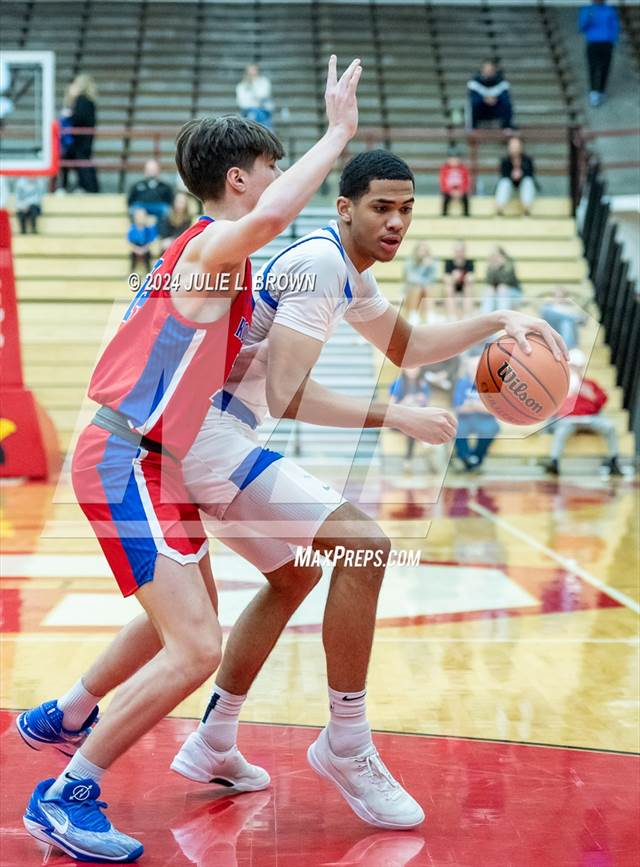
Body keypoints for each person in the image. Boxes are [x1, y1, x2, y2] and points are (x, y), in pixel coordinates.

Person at [16, 55, 363, 863]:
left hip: (154, 457)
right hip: (123, 455)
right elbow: (277, 219)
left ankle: (66, 715)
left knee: (176, 612)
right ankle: (66, 794)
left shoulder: (213, 260)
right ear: (241, 180)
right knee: (197, 644)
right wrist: (338, 134)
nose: (280, 181)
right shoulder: (211, 248)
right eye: (273, 169)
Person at [167, 152, 566, 830]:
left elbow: (408, 348)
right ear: (345, 208)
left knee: (293, 577)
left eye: (407, 208)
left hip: (207, 434)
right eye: (383, 206)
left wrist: (498, 321)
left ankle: (212, 740)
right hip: (211, 437)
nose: (397, 221)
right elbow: (288, 394)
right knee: (366, 544)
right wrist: (395, 415)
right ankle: (346, 741)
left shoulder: (339, 267)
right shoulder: (322, 264)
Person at [545, 349, 623, 476]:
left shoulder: (590, 384)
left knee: (610, 427)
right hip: (568, 421)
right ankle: (554, 462)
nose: (576, 370)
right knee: (560, 432)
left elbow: (602, 400)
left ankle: (614, 461)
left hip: (590, 418)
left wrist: (591, 395)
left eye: (578, 367)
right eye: (573, 367)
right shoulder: (561, 384)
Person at [453, 353, 500, 470]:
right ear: (468, 370)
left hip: (485, 419)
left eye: (477, 368)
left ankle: (476, 458)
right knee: (456, 427)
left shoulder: (491, 383)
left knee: (492, 429)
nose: (475, 371)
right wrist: (480, 406)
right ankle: (465, 457)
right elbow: (459, 407)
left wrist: (472, 405)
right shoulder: (462, 383)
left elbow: (494, 409)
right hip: (466, 418)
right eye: (472, 368)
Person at [59, 74, 99, 193]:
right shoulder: (88, 101)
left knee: (80, 162)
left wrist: (69, 115)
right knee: (78, 162)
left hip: (79, 140)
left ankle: (88, 188)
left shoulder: (82, 100)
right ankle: (85, 187)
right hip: (83, 139)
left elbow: (78, 118)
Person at [389, 366, 432, 469]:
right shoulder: (398, 383)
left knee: (413, 427)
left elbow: (426, 404)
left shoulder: (422, 383)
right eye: (411, 368)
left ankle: (408, 460)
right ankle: (421, 443)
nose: (413, 370)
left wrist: (421, 400)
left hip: (415, 419)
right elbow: (391, 406)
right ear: (404, 369)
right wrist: (405, 401)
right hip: (398, 420)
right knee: (411, 427)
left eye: (416, 368)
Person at [579, 0, 620, 107]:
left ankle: (601, 91)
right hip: (593, 43)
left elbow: (615, 27)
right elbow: (582, 27)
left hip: (606, 43)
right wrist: (589, 18)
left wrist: (613, 41)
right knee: (593, 67)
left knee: (605, 67)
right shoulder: (587, 10)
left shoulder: (609, 10)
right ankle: (593, 92)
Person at [495, 137, 536, 216]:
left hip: (523, 187)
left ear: (521, 147)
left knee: (528, 181)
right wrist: (512, 175)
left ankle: (526, 210)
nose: (514, 148)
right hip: (510, 189)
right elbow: (503, 175)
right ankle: (499, 209)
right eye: (512, 146)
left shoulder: (527, 160)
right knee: (504, 182)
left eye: (516, 146)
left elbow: (531, 175)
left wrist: (522, 174)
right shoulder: (505, 161)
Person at [467, 60, 513, 129]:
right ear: (482, 70)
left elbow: (505, 97)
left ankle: (507, 127)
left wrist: (495, 99)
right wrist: (484, 99)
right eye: (486, 70)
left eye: (490, 70)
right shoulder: (475, 82)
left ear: (494, 71)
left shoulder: (501, 82)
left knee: (507, 104)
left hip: (496, 109)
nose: (488, 72)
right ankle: (473, 128)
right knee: (474, 104)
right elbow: (472, 98)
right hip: (481, 110)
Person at [540, 286, 586, 350]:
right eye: (556, 296)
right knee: (568, 320)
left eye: (561, 297)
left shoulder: (569, 308)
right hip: (552, 337)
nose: (558, 299)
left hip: (568, 341)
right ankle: (566, 349)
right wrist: (574, 317)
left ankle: (567, 349)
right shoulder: (547, 307)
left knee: (566, 323)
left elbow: (583, 322)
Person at [402, 241, 438, 322]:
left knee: (427, 287)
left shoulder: (432, 262)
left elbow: (432, 279)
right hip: (410, 291)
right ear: (416, 251)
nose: (423, 253)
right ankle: (413, 314)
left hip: (425, 290)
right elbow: (411, 279)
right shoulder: (409, 261)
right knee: (417, 287)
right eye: (421, 250)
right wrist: (423, 267)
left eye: (425, 251)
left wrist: (422, 283)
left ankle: (430, 314)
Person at [482, 246, 522, 313]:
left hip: (513, 293)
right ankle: (485, 316)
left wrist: (499, 267)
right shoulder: (491, 266)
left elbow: (506, 281)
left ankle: (502, 315)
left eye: (496, 255)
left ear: (502, 256)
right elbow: (489, 282)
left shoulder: (509, 264)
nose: (494, 258)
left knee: (502, 288)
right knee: (489, 290)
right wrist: (494, 269)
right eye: (493, 255)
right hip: (497, 294)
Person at [236, 64, 274, 129]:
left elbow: (264, 95)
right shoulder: (241, 86)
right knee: (253, 115)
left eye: (254, 71)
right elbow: (242, 103)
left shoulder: (264, 82)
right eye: (250, 72)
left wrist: (253, 85)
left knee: (257, 115)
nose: (252, 74)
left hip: (263, 109)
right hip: (248, 110)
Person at [444, 239, 475, 318]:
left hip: (465, 285)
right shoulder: (449, 262)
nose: (459, 253)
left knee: (468, 288)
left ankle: (467, 315)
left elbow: (471, 278)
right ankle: (451, 315)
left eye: (461, 250)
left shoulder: (469, 262)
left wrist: (462, 277)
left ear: (464, 251)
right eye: (457, 251)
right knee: (449, 288)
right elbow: (446, 279)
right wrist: (454, 278)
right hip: (453, 285)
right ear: (454, 251)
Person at [439, 146, 470, 216]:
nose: (454, 161)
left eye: (456, 159)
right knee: (445, 198)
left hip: (460, 191)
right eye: (452, 159)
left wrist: (461, 191)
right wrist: (450, 191)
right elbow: (443, 182)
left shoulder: (463, 169)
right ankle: (444, 215)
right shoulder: (444, 169)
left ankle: (466, 214)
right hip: (449, 191)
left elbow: (466, 182)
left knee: (465, 199)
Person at [127, 207, 158, 272]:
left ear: (145, 217)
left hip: (146, 248)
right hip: (136, 249)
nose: (140, 218)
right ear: (135, 218)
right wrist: (136, 249)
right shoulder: (132, 229)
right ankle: (132, 272)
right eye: (138, 217)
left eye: (142, 216)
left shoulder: (149, 229)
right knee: (133, 256)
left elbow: (151, 241)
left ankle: (149, 272)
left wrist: (144, 249)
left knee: (148, 256)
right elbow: (129, 241)